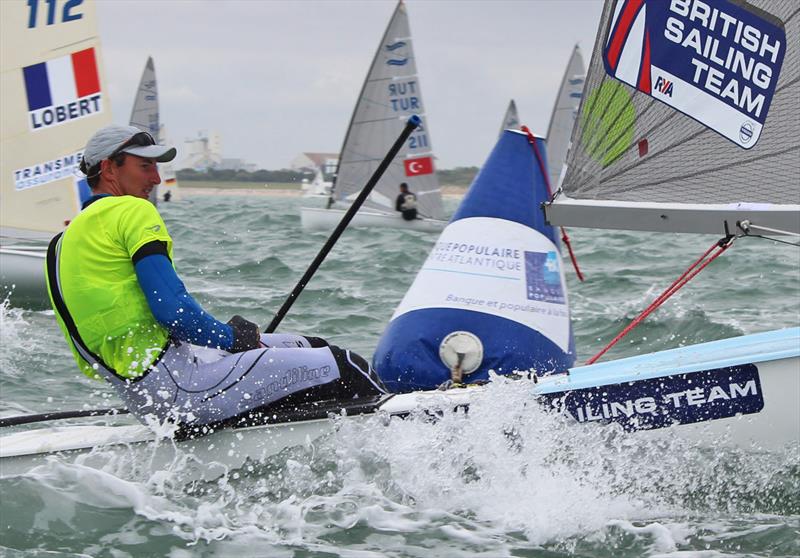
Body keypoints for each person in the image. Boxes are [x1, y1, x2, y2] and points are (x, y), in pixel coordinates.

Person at [46, 124, 385, 430]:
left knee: (309, 346)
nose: (156, 179)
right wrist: (231, 338)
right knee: (343, 363)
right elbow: (173, 311)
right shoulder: (131, 210)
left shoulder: (60, 245)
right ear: (108, 168)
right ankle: (405, 429)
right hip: (185, 388)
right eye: (145, 166)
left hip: (149, 400)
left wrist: (222, 345)